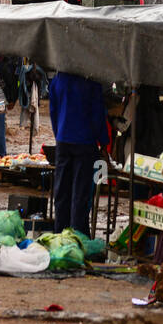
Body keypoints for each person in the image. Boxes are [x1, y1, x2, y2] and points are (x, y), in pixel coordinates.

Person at [49, 71, 109, 235]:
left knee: (62, 191)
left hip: (63, 141)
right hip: (85, 143)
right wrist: (103, 143)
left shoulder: (58, 80)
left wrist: (59, 134)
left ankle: (60, 233)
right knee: (80, 193)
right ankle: (77, 235)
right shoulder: (91, 82)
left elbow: (53, 112)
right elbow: (98, 116)